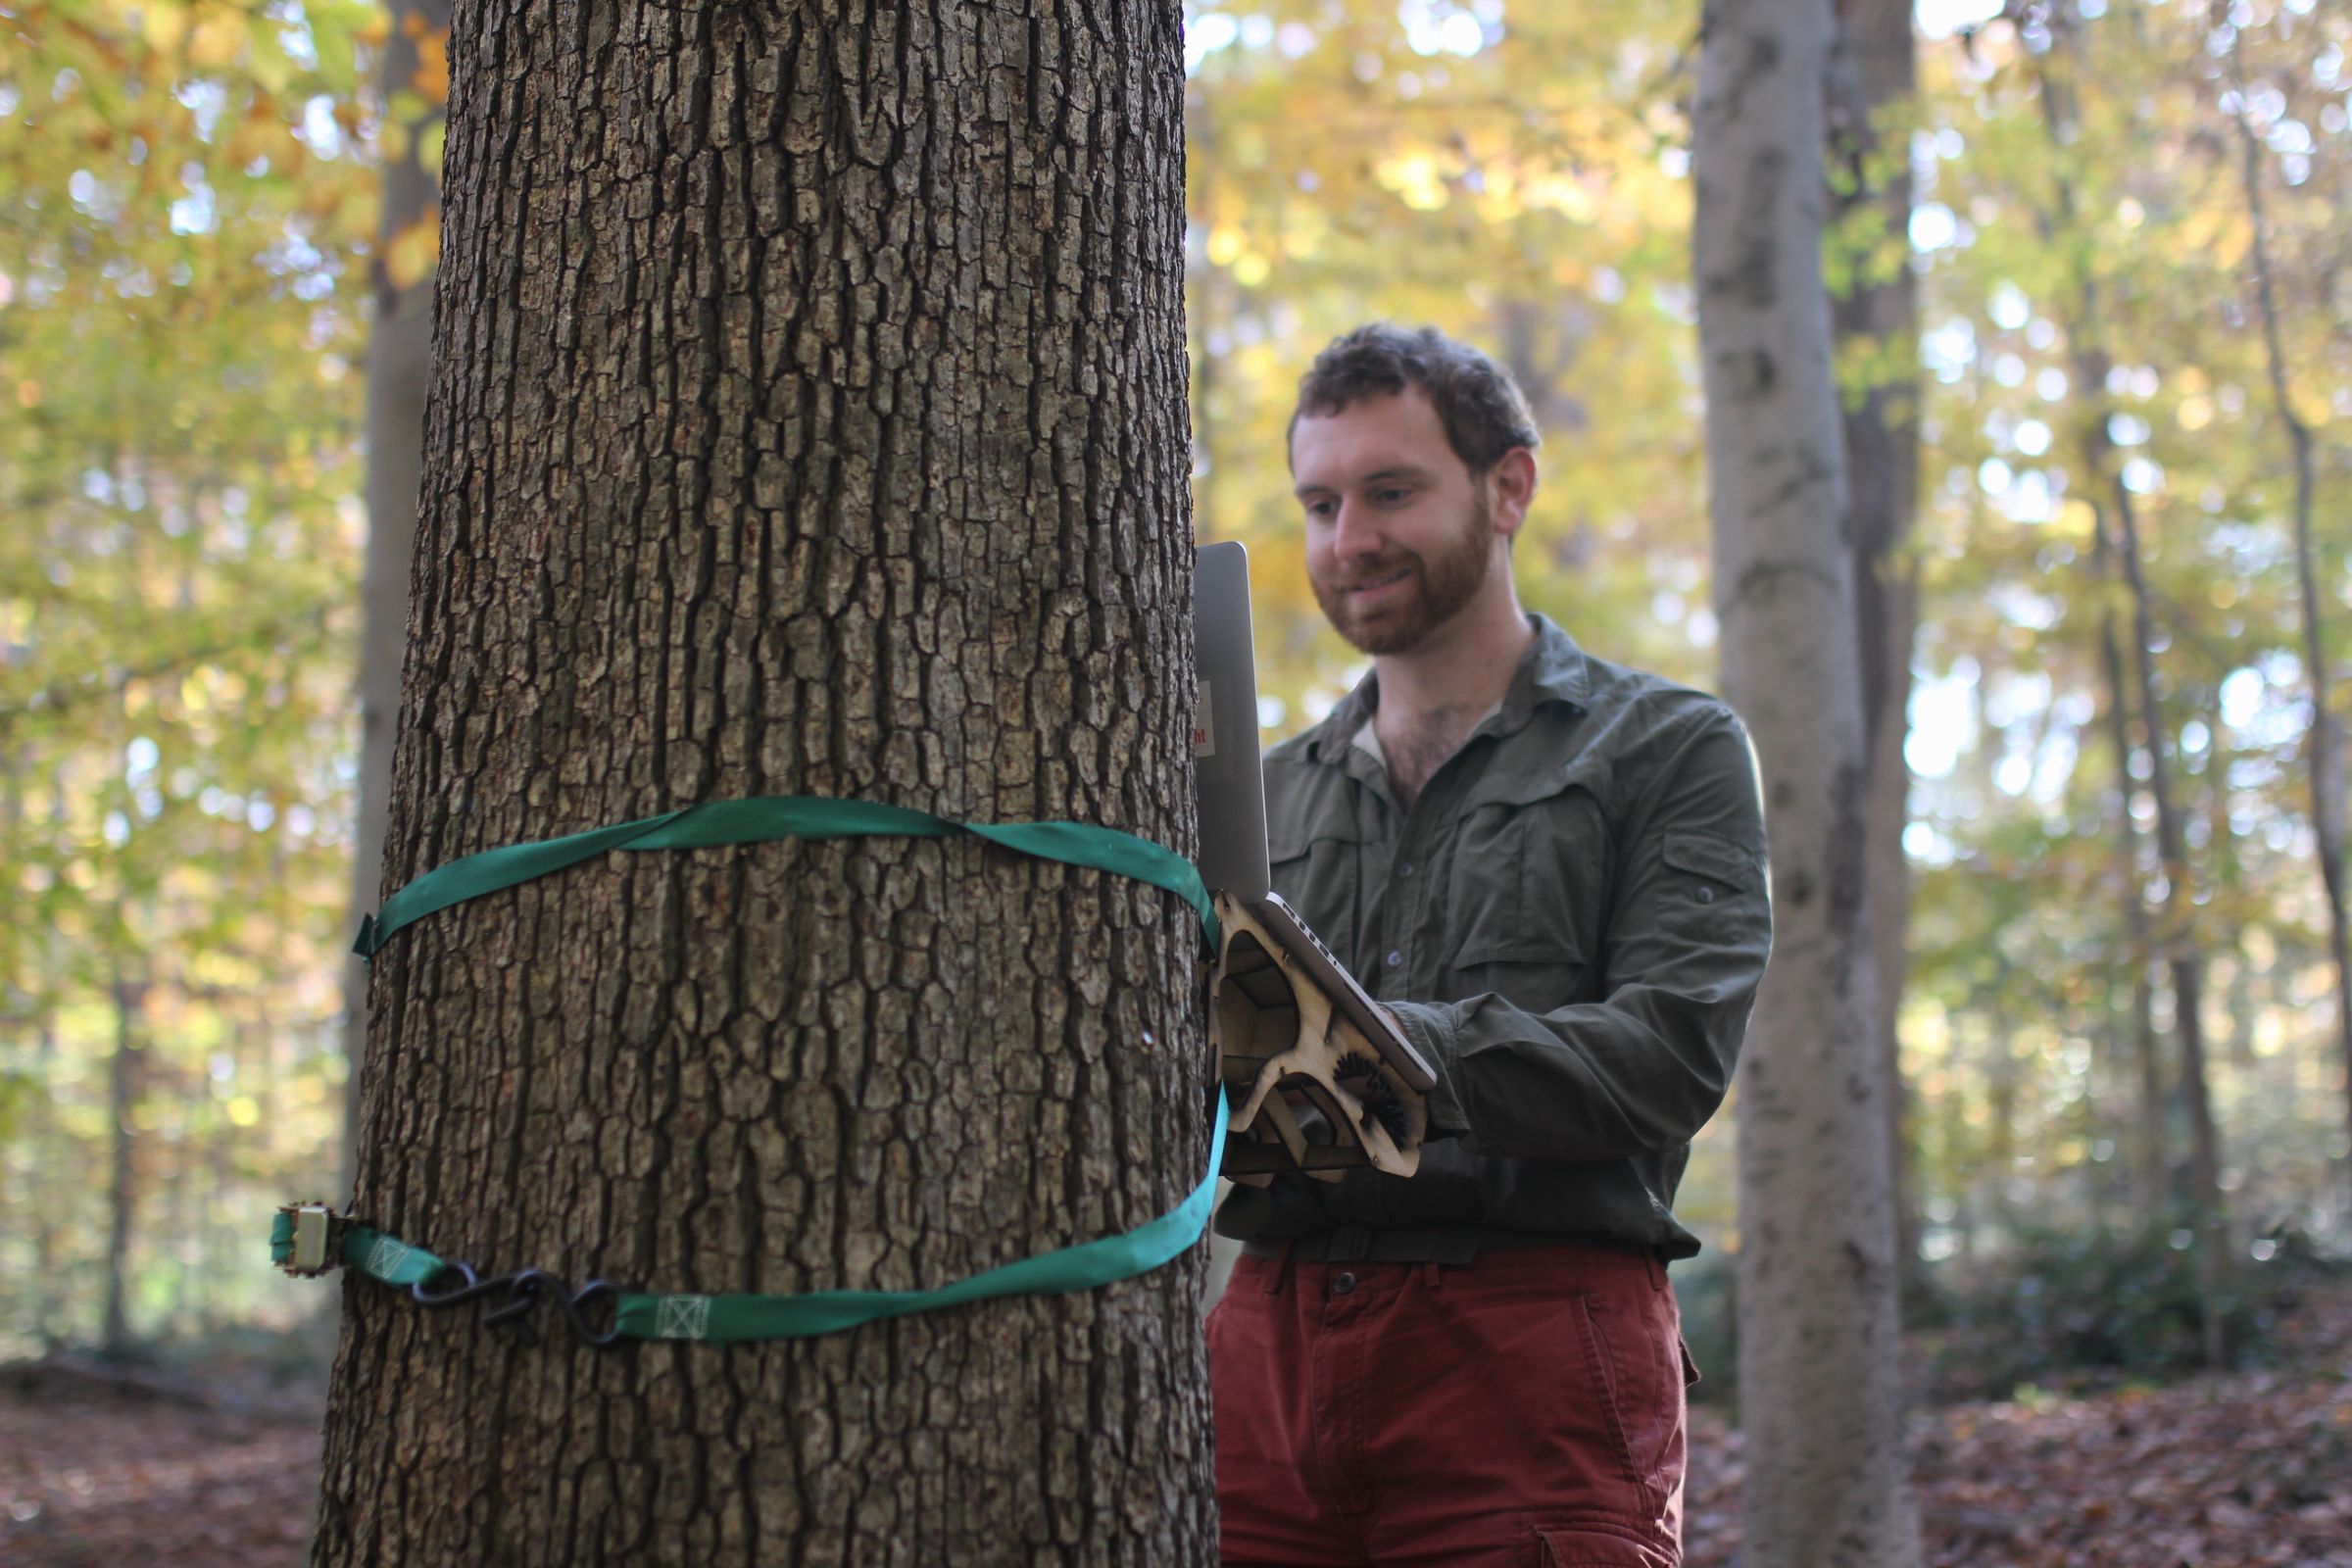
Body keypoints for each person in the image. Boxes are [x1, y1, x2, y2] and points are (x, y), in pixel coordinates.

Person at [1207, 323, 1772, 1568]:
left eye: (1392, 491)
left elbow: (1669, 1054)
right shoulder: (1261, 792)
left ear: (1509, 486)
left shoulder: (1668, 748)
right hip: (1261, 1356)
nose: (1349, 539)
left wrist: (1373, 1049)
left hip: (1533, 1345)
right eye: (1320, 501)